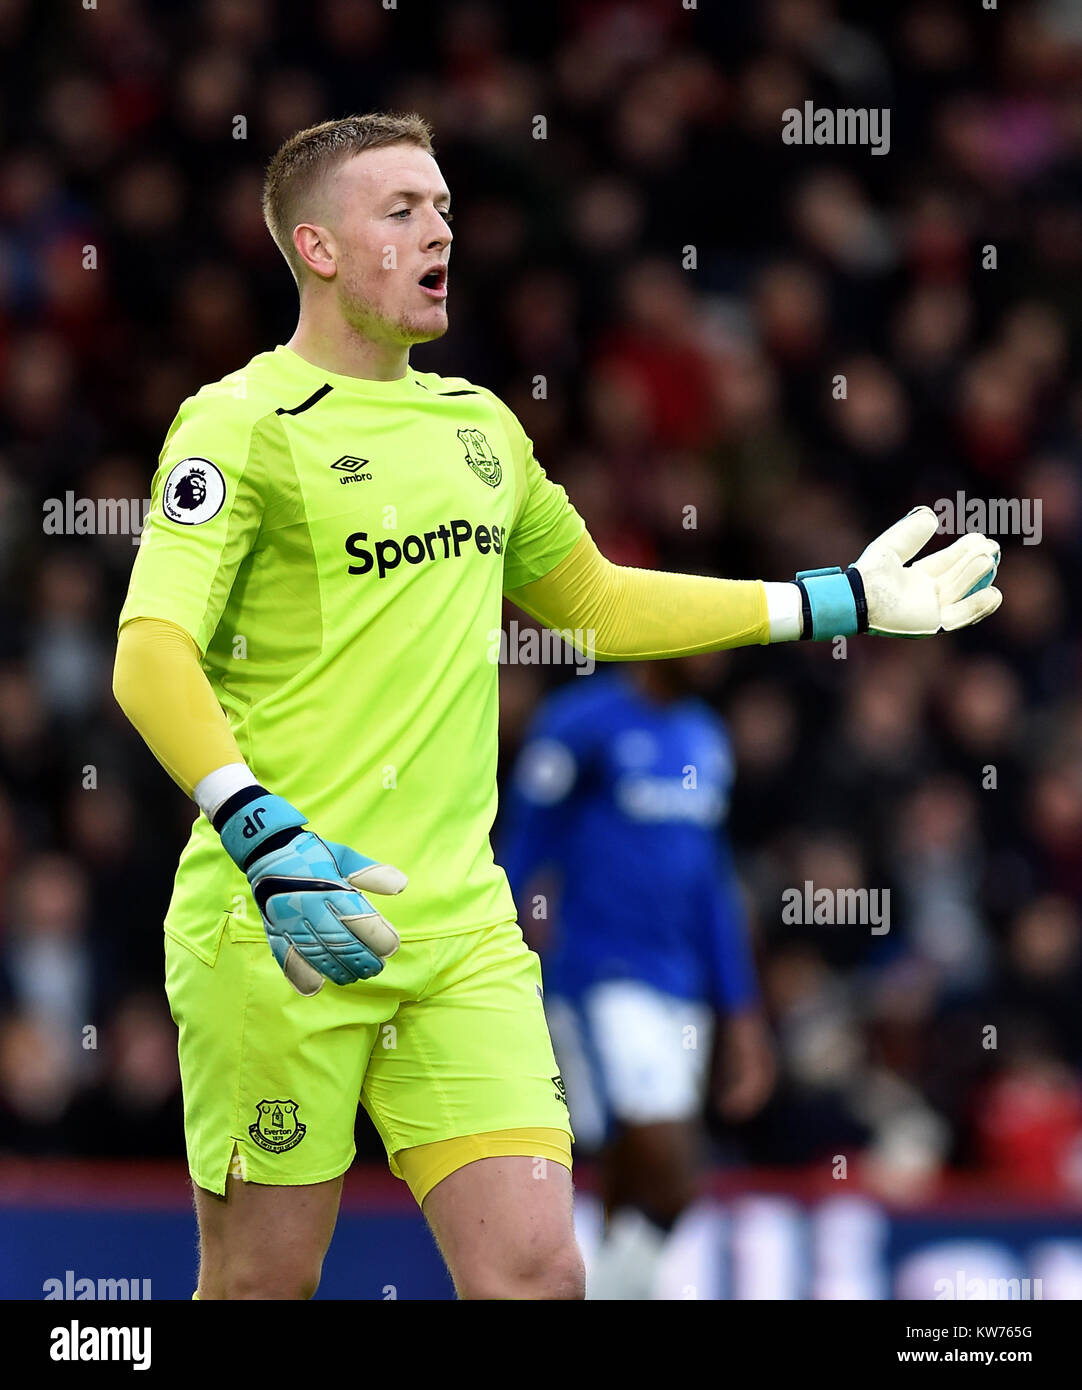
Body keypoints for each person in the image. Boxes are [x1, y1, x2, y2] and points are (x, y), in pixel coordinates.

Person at [111, 111, 1002, 1301]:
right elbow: (148, 651)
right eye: (402, 211)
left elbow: (591, 602)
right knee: (263, 1286)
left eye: (440, 206)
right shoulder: (240, 425)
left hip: (458, 930)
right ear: (316, 249)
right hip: (279, 919)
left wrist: (826, 601)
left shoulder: (477, 426)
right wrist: (257, 828)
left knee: (538, 1275)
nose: (440, 230)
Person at [502, 658, 776, 1299]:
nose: (713, 653)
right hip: (600, 974)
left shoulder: (705, 735)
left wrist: (740, 1009)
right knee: (671, 1173)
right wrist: (510, 945)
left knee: (628, 1178)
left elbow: (712, 881)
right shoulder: (580, 721)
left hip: (679, 985)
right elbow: (524, 843)